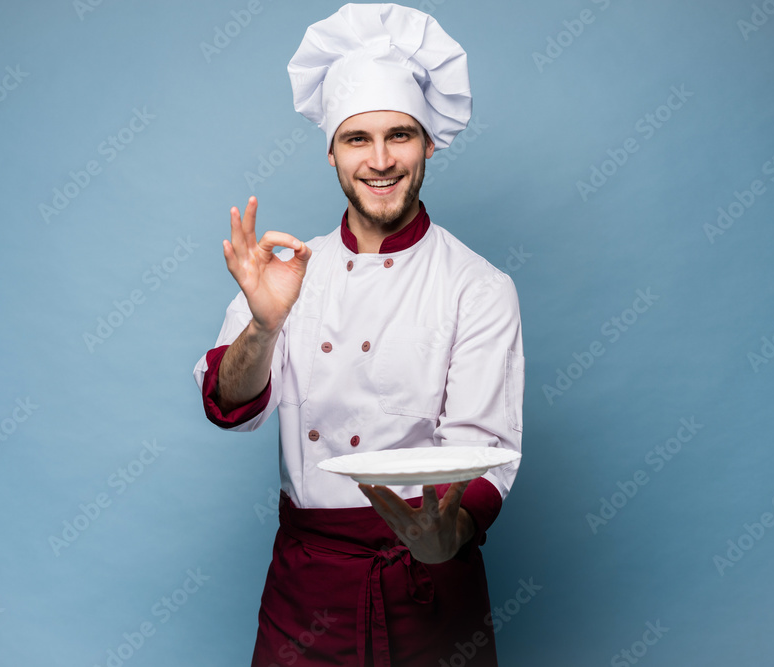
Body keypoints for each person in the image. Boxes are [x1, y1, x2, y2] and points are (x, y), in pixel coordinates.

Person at [193, 4, 524, 664]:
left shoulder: (479, 286)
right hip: (305, 587)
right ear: (331, 152)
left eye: (399, 135)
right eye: (356, 139)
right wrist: (265, 323)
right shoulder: (288, 275)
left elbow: (485, 448)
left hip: (430, 582)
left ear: (429, 143)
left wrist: (443, 536)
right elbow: (229, 406)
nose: (380, 160)